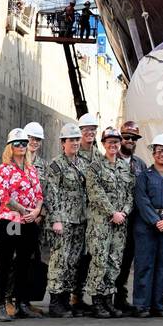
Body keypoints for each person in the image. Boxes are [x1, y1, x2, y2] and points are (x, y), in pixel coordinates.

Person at [0, 128, 43, 323]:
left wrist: (37, 211)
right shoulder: (4, 169)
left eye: (24, 143)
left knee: (25, 262)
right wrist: (24, 211)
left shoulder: (32, 170)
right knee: (6, 262)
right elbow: (4, 197)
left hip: (29, 221)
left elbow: (39, 195)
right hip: (11, 221)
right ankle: (0, 305)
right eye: (17, 143)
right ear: (10, 147)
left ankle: (22, 302)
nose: (21, 146)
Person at [84, 126, 134, 318]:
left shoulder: (124, 167)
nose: (113, 145)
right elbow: (96, 193)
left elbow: (130, 192)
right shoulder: (95, 167)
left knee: (114, 262)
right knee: (99, 261)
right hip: (101, 224)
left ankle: (108, 299)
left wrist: (124, 212)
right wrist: (113, 212)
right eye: (109, 142)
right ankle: (97, 300)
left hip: (120, 224)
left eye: (116, 142)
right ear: (104, 144)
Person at [132, 133, 163, 317]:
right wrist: (155, 221)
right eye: (158, 150)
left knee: (162, 267)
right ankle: (141, 305)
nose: (161, 154)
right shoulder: (144, 176)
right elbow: (142, 201)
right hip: (146, 227)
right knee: (144, 265)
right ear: (153, 152)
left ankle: (157, 305)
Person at [43, 121, 86, 317]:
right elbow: (51, 194)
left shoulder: (83, 163)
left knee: (73, 261)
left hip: (80, 220)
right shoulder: (56, 165)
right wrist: (56, 220)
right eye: (71, 139)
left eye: (77, 139)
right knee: (59, 260)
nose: (75, 142)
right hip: (63, 220)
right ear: (63, 142)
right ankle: (55, 302)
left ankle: (66, 299)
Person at [114, 121, 148, 313]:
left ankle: (120, 298)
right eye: (127, 137)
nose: (130, 141)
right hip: (113, 221)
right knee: (110, 261)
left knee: (126, 261)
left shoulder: (140, 164)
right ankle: (104, 299)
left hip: (133, 221)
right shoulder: (110, 160)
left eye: (134, 138)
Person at [71, 113, 99, 315]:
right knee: (72, 256)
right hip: (75, 214)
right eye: (85, 129)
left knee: (88, 257)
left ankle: (79, 296)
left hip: (94, 216)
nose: (90, 132)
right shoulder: (73, 153)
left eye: (93, 129)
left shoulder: (99, 155)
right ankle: (68, 297)